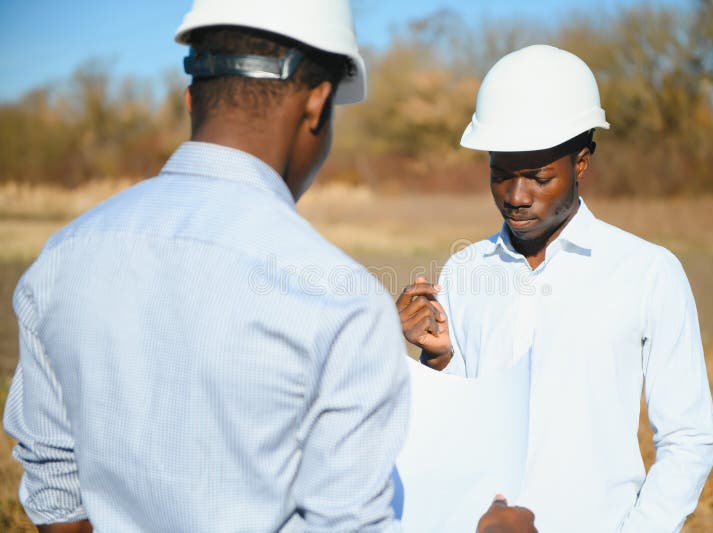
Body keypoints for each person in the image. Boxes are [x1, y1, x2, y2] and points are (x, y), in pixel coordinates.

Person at [3, 1, 412, 531]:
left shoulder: (61, 259)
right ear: (317, 103)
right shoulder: (344, 301)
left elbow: (56, 497)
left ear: (192, 96)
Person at [397, 45, 713, 532]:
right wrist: (438, 360)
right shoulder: (465, 270)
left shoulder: (648, 273)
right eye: (500, 175)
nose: (515, 197)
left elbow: (688, 439)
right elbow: (455, 431)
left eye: (538, 177)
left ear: (582, 163)